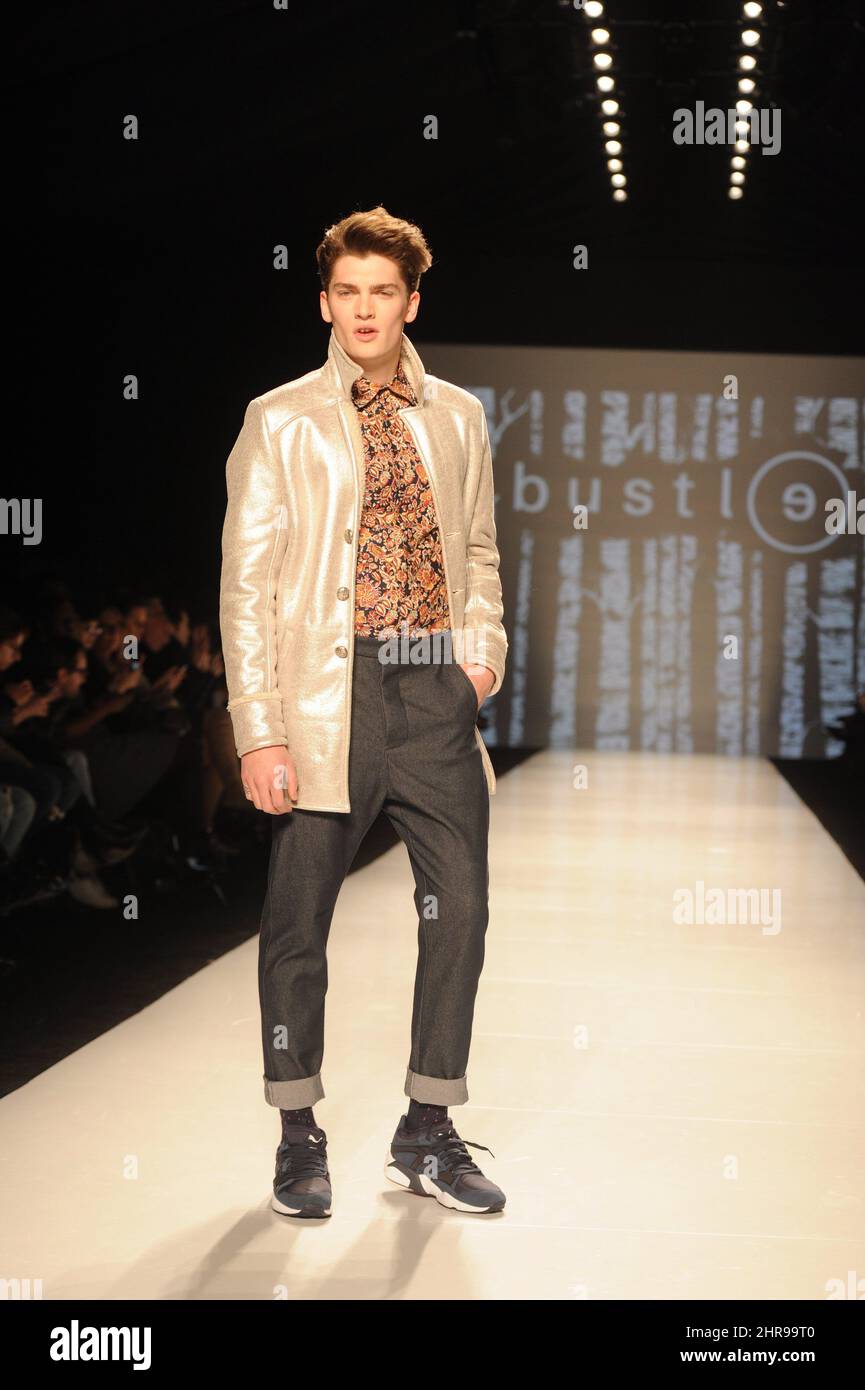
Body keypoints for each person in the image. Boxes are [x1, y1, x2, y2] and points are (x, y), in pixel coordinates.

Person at [219, 206, 508, 1219]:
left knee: (461, 909)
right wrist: (259, 726)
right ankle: (298, 1133)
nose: (364, 308)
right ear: (325, 303)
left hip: (432, 692)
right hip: (324, 697)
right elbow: (244, 587)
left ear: (411, 301)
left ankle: (426, 1126)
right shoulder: (280, 418)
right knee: (297, 922)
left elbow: (475, 549)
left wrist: (479, 659)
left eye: (382, 291)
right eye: (347, 291)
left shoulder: (460, 415)